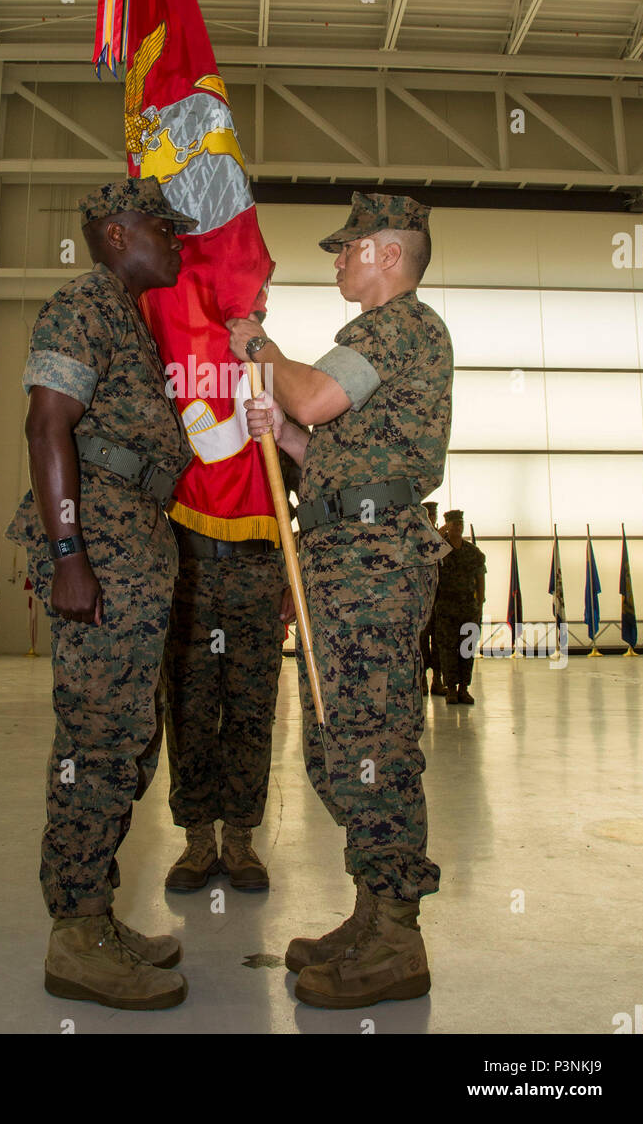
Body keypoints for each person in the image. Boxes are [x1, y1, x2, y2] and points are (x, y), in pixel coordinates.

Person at [228, 190, 453, 1010]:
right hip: (341, 555)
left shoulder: (398, 327)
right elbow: (322, 434)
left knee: (372, 736)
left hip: (372, 563)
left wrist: (264, 347)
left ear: (389, 253)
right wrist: (286, 435)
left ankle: (398, 936)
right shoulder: (379, 339)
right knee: (336, 739)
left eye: (348, 248)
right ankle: (371, 910)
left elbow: (318, 398)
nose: (337, 261)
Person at [5, 175, 196, 1012]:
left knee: (125, 738)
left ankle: (97, 916)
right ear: (117, 232)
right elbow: (46, 425)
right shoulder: (84, 299)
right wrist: (69, 553)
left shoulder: (126, 314)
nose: (177, 240)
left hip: (135, 544)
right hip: (104, 549)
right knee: (96, 737)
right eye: (163, 226)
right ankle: (75, 934)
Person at [162, 463, 294, 895]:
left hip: (258, 571)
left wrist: (296, 577)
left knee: (250, 710)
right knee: (187, 710)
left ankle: (239, 838)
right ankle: (197, 839)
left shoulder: (271, 401)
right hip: (187, 571)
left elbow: (306, 489)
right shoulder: (178, 400)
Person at [433, 509, 486, 705]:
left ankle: (464, 688)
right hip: (446, 609)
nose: (458, 527)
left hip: (468, 609)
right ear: (448, 527)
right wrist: (442, 531)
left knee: (467, 649)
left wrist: (480, 603)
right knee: (447, 650)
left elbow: (480, 578)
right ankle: (451, 690)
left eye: (460, 524)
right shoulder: (441, 550)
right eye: (454, 524)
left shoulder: (473, 553)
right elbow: (430, 546)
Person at [420, 502, 446, 697]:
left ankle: (437, 680)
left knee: (439, 642)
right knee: (421, 642)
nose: (433, 516)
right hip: (422, 597)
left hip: (441, 599)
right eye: (430, 513)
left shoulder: (442, 537)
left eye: (435, 513)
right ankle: (420, 680)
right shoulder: (418, 534)